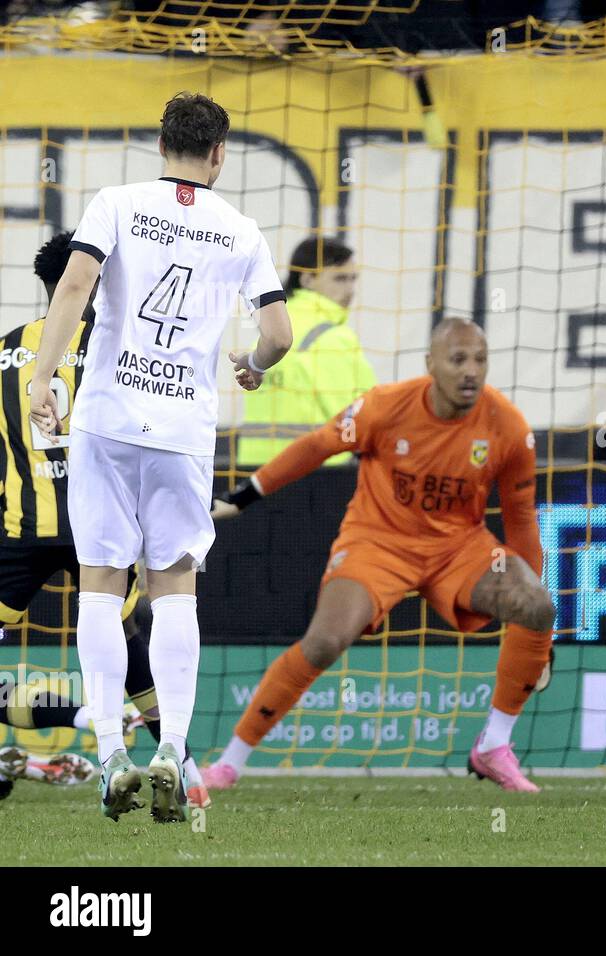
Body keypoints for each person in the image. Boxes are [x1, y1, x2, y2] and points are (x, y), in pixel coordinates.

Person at [29, 91, 293, 822]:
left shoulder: (115, 201)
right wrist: (254, 364)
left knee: (101, 586)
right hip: (181, 432)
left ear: (161, 144)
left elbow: (77, 286)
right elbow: (279, 331)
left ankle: (110, 751)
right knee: (174, 585)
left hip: (108, 420)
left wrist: (45, 376)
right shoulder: (240, 228)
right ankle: (172, 748)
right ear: (219, 154)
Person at [202, 318, 555, 793]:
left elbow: (521, 520)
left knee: (536, 606)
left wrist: (541, 633)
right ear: (431, 364)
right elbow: (317, 446)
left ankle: (494, 745)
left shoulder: (508, 427)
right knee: (325, 642)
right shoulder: (387, 406)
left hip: (458, 547)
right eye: (458, 360)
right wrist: (243, 497)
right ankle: (229, 764)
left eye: (480, 360)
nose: (471, 371)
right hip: (377, 541)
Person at [0, 231, 211, 808]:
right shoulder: (120, 344)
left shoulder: (6, 350)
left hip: (23, 527)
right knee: (128, 636)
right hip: (97, 519)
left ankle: (78, 730)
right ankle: (183, 767)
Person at [237, 236, 374, 467]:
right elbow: (363, 414)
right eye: (340, 278)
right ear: (308, 279)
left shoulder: (270, 334)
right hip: (317, 475)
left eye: (353, 279)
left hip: (254, 475)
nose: (351, 289)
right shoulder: (333, 337)